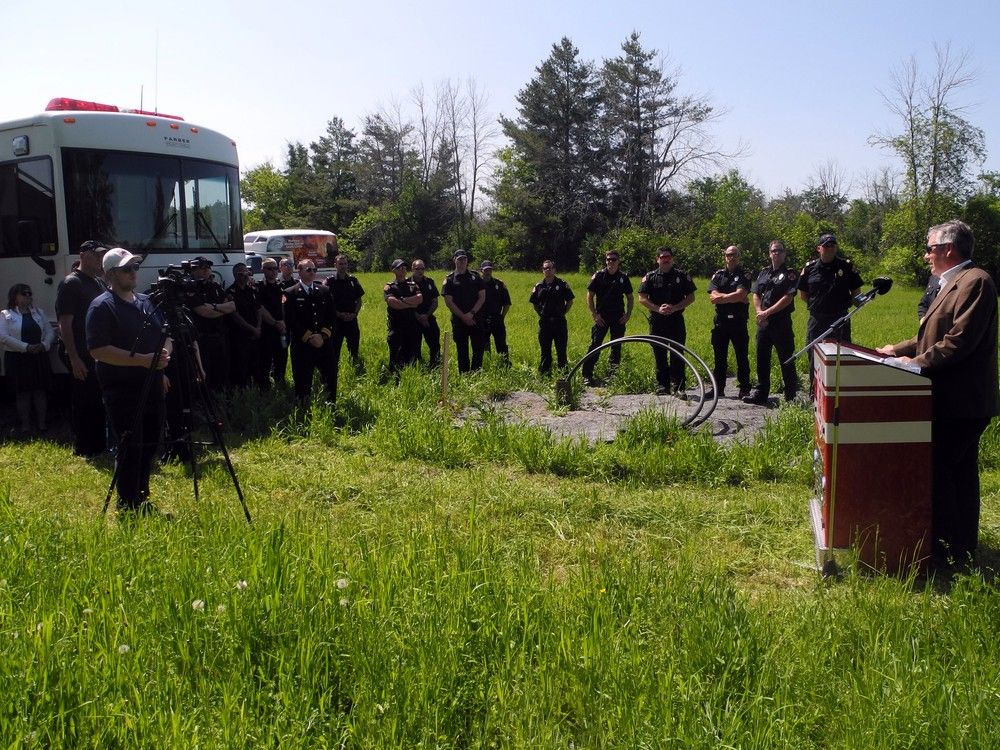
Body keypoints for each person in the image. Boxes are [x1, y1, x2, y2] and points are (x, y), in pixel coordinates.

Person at [876, 220, 999, 567]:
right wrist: (893, 349)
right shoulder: (948, 283)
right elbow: (931, 334)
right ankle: (959, 548)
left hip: (963, 402)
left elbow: (958, 341)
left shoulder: (975, 282)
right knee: (955, 473)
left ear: (948, 249)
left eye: (930, 248)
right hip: (949, 400)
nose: (926, 255)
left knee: (945, 472)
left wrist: (913, 364)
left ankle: (950, 554)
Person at [86, 249, 171, 513]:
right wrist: (142, 360)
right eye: (126, 269)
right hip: (123, 388)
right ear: (111, 274)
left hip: (152, 383)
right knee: (129, 444)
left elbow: (166, 334)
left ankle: (142, 495)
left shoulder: (146, 302)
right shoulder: (102, 306)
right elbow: (98, 350)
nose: (133, 272)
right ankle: (127, 503)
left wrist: (164, 358)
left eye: (135, 267)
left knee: (150, 441)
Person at [55, 239, 108, 455]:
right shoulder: (71, 283)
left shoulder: (98, 282)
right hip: (79, 351)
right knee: (84, 400)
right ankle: (85, 447)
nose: (99, 259)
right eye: (96, 255)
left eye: (102, 256)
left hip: (95, 350)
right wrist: (73, 357)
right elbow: (64, 323)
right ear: (83, 255)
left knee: (96, 398)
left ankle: (99, 443)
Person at [797, 233, 862, 394]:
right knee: (814, 355)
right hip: (817, 320)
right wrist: (820, 306)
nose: (830, 248)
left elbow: (856, 291)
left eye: (833, 245)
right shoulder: (810, 268)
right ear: (819, 248)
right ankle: (815, 392)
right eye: (826, 246)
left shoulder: (846, 266)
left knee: (841, 355)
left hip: (840, 318)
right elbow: (803, 294)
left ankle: (841, 390)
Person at [744, 240, 799, 405]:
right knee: (762, 358)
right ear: (769, 253)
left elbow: (788, 298)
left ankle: (790, 396)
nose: (776, 253)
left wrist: (767, 312)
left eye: (780, 251)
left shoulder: (790, 274)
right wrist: (759, 312)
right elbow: (755, 293)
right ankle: (761, 394)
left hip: (780, 323)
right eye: (774, 251)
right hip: (763, 324)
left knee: (786, 359)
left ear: (784, 254)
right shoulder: (763, 273)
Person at [638, 247, 696, 395]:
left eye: (668, 256)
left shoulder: (682, 276)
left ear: (672, 258)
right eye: (662, 257)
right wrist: (658, 309)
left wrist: (675, 307)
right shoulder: (650, 277)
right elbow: (642, 298)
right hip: (657, 321)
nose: (665, 259)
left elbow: (691, 297)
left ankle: (679, 387)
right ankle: (663, 386)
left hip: (676, 320)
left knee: (677, 353)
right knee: (660, 353)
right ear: (657, 259)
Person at [1, 283, 55, 434]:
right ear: (15, 297)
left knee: (40, 391)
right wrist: (26, 347)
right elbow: (3, 337)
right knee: (23, 392)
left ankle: (42, 423)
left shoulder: (39, 312)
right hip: (18, 358)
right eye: (24, 294)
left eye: (30, 293)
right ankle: (25, 425)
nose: (28, 296)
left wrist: (44, 344)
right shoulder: (6, 315)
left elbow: (50, 331)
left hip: (38, 356)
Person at [283, 260, 338, 403]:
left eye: (314, 270)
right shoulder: (290, 293)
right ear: (299, 271)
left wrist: (323, 335)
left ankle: (330, 404)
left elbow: (331, 316)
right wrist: (309, 337)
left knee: (330, 376)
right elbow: (290, 320)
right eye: (308, 270)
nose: (312, 273)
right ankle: (303, 407)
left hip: (324, 343)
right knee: (302, 379)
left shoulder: (324, 291)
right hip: (302, 345)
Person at [707, 245, 752, 399]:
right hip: (721, 322)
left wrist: (722, 297)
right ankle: (718, 389)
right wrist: (731, 297)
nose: (731, 257)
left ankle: (744, 388)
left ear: (739, 257)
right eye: (728, 254)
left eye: (734, 254)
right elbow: (713, 296)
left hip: (738, 322)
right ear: (724, 256)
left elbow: (741, 295)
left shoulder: (745, 274)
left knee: (742, 357)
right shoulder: (718, 275)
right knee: (719, 358)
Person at [582, 251, 633, 386]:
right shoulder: (598, 276)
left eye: (613, 259)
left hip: (618, 318)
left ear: (618, 261)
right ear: (605, 261)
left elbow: (630, 298)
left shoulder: (623, 277)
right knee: (595, 345)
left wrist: (627, 315)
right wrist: (594, 314)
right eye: (608, 259)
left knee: (616, 347)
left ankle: (613, 376)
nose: (611, 262)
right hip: (601, 318)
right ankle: (587, 375)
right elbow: (590, 296)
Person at [185, 257, 235, 390]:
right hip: (202, 339)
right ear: (193, 270)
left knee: (222, 373)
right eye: (202, 268)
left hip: (219, 336)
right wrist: (221, 309)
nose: (206, 270)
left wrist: (213, 306)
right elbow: (203, 312)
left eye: (208, 267)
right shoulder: (190, 287)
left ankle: (222, 402)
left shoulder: (215, 286)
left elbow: (232, 306)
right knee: (205, 375)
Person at [442, 249, 486, 372]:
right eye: (459, 259)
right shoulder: (450, 279)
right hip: (459, 320)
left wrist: (471, 314)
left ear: (467, 260)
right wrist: (463, 317)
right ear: (454, 260)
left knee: (478, 348)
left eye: (464, 259)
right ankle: (465, 376)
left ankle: (477, 374)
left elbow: (482, 296)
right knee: (462, 350)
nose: (462, 261)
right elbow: (448, 301)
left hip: (476, 318)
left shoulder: (475, 276)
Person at [529, 260, 575, 374]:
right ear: (543, 270)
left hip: (559, 322)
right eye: (545, 268)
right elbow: (535, 304)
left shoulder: (562, 284)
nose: (548, 270)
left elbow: (570, 301)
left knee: (561, 350)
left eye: (550, 268)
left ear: (554, 270)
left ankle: (563, 374)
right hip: (545, 323)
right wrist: (541, 313)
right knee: (545, 351)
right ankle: (545, 373)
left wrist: (563, 312)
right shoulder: (538, 286)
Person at [324, 254, 365, 372]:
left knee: (354, 347)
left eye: (345, 264)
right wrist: (338, 314)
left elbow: (359, 299)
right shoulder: (329, 282)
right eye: (340, 264)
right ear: (335, 265)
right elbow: (327, 302)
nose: (343, 266)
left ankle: (355, 367)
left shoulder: (353, 280)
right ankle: (333, 369)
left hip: (352, 320)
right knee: (335, 348)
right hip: (336, 321)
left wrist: (355, 314)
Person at [225, 262, 262, 389]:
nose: (245, 275)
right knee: (241, 369)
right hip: (239, 337)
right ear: (235, 275)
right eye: (241, 273)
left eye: (246, 272)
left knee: (256, 366)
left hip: (255, 336)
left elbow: (258, 310)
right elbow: (235, 316)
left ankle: (257, 392)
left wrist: (258, 327)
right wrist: (252, 329)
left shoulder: (252, 290)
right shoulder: (230, 292)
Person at [384, 259, 423, 373]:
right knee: (395, 357)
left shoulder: (412, 285)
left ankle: (410, 378)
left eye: (404, 268)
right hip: (396, 327)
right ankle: (395, 380)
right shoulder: (389, 287)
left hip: (411, 327)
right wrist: (411, 304)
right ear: (393, 270)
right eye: (400, 268)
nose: (403, 270)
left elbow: (419, 299)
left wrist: (402, 301)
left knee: (411, 356)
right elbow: (392, 303)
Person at [256, 258, 287, 388]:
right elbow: (260, 308)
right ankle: (265, 388)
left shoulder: (282, 286)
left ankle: (280, 382)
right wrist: (275, 323)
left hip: (282, 330)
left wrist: (284, 324)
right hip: (267, 329)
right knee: (265, 360)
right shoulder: (258, 287)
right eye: (269, 268)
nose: (273, 271)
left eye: (275, 268)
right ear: (262, 270)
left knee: (282, 357)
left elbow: (286, 306)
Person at [409, 258, 441, 366]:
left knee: (435, 344)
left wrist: (426, 316)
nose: (420, 271)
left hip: (428, 317)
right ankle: (417, 367)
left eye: (422, 268)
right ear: (412, 268)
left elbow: (435, 301)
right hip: (413, 319)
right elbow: (406, 304)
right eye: (418, 269)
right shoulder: (406, 283)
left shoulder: (429, 282)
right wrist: (418, 317)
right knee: (414, 346)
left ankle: (435, 366)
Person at [479, 260, 512, 363]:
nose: (488, 272)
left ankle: (505, 365)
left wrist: (501, 317)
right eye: (486, 270)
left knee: (501, 344)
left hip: (497, 318)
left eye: (490, 269)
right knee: (484, 345)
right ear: (481, 270)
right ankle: (487, 364)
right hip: (481, 319)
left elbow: (507, 303)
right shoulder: (476, 284)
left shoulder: (499, 284)